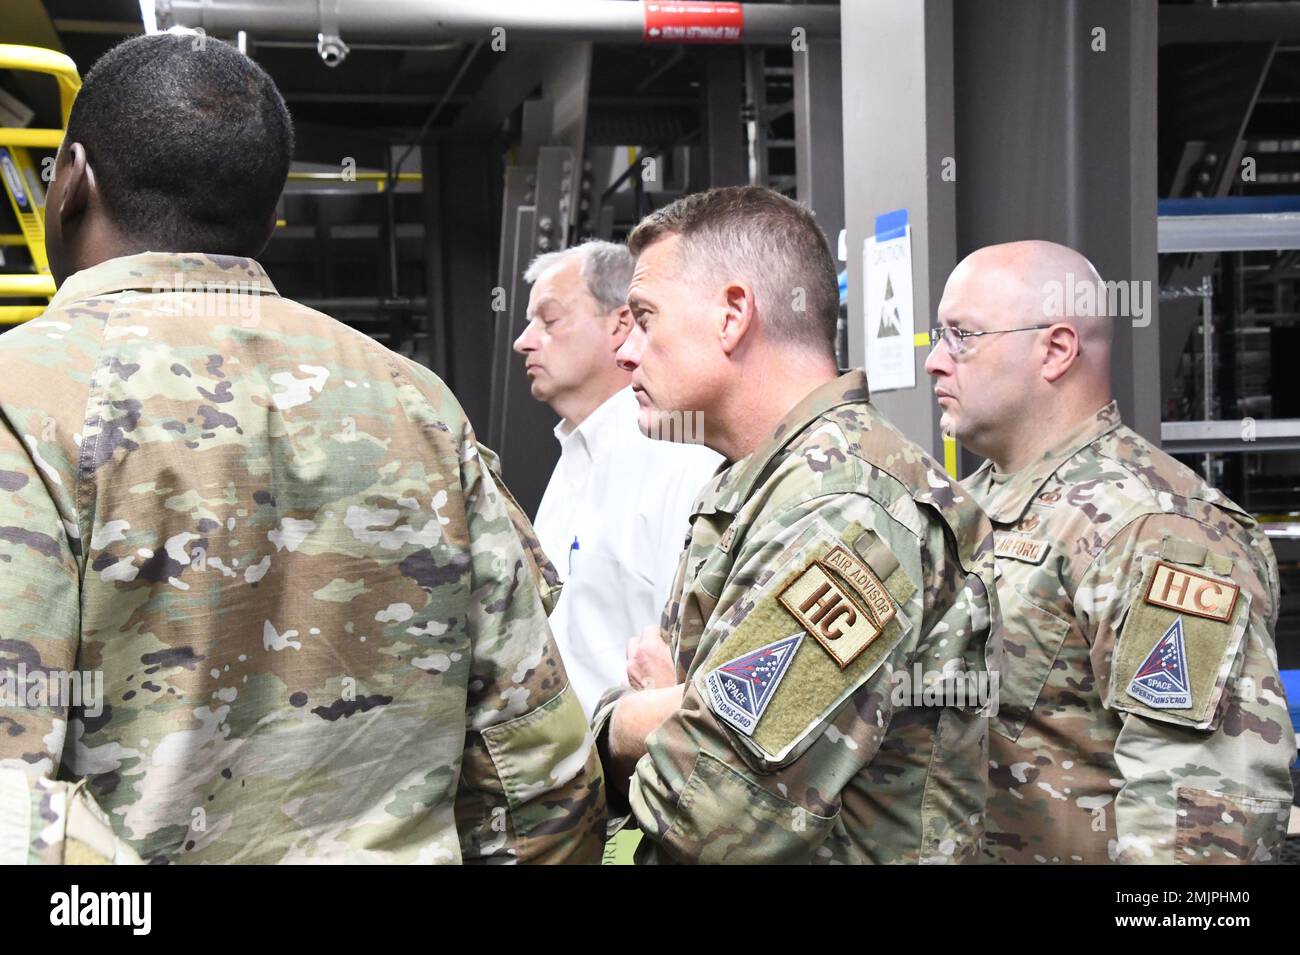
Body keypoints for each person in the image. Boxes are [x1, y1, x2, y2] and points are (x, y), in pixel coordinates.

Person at [0, 33, 604, 864]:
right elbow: (536, 763)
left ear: (70, 181)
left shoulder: (22, 398)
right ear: (272, 218)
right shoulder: (418, 402)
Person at [592, 185, 1001, 864]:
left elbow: (717, 806)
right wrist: (684, 711)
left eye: (644, 317)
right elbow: (704, 738)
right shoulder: (761, 483)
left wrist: (620, 725)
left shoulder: (845, 505)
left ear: (732, 315)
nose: (626, 351)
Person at [925, 239, 1295, 864]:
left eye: (962, 335)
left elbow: (1201, 809)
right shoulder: (968, 506)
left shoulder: (1157, 530)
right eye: (939, 335)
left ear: (1056, 349)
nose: (936, 360)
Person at [513, 241, 721, 716]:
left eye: (549, 320)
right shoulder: (575, 454)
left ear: (621, 325)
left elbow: (691, 668)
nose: (524, 340)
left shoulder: (679, 457)